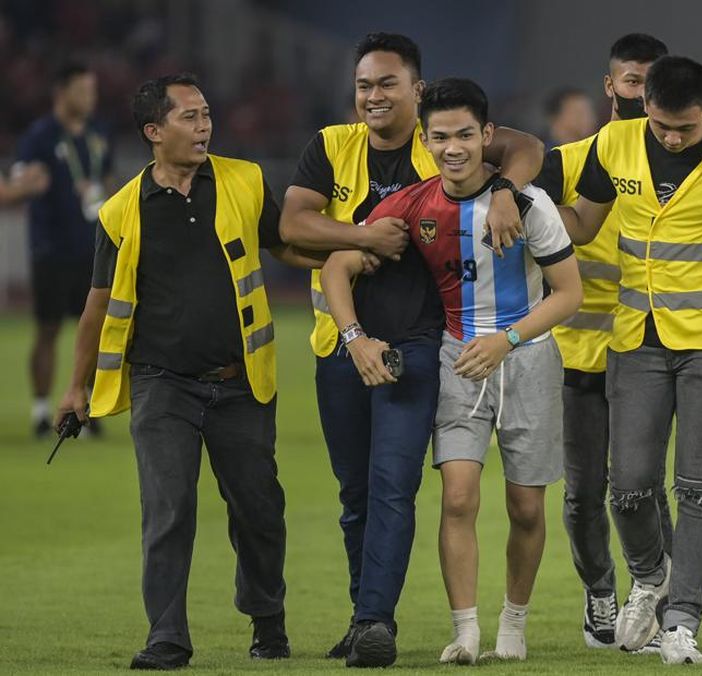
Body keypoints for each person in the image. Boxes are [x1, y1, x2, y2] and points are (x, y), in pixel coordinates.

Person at [278, 32, 543, 661]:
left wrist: (505, 189)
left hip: (422, 342)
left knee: (391, 482)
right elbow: (291, 226)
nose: (373, 95)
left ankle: (376, 621)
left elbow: (528, 148)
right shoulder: (331, 147)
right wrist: (366, 238)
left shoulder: (441, 149)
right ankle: (361, 612)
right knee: (354, 494)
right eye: (365, 84)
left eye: (387, 83)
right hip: (338, 342)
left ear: (416, 92)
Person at [55, 73, 322, 671]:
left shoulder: (245, 180)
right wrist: (75, 388)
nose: (204, 126)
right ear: (155, 131)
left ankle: (267, 620)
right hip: (161, 384)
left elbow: (286, 245)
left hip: (241, 380)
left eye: (206, 115)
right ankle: (168, 637)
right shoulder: (121, 211)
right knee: (168, 509)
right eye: (189, 117)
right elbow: (98, 306)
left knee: (258, 508)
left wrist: (354, 255)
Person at [558, 55, 702, 665]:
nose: (670, 136)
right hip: (635, 340)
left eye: (684, 128)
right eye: (660, 124)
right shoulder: (613, 144)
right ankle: (650, 575)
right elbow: (582, 226)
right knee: (629, 488)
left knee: (697, 487)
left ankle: (683, 621)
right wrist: (513, 200)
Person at [360, 78, 582, 664]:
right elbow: (341, 260)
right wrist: (351, 332)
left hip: (527, 359)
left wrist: (507, 340)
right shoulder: (412, 204)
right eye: (440, 137)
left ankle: (514, 620)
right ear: (425, 140)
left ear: (486, 136)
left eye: (464, 134)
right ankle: (466, 631)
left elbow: (568, 294)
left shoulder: (528, 205)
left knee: (525, 508)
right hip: (456, 359)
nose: (453, 147)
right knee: (457, 498)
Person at [532, 31, 674, 653]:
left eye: (652, 81)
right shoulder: (568, 163)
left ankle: (661, 606)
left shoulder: (680, 166)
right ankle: (599, 595)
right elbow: (511, 179)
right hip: (573, 357)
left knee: (641, 488)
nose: (640, 92)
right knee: (585, 493)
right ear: (610, 85)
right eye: (631, 80)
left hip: (646, 353)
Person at [16, 62, 115, 438]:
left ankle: (84, 406)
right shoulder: (40, 136)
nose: (90, 97)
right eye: (83, 90)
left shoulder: (98, 133)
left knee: (92, 329)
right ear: (62, 92)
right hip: (51, 247)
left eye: (92, 90)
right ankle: (41, 411)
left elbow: (106, 181)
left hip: (91, 248)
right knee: (48, 328)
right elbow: (20, 180)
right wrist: (28, 185)